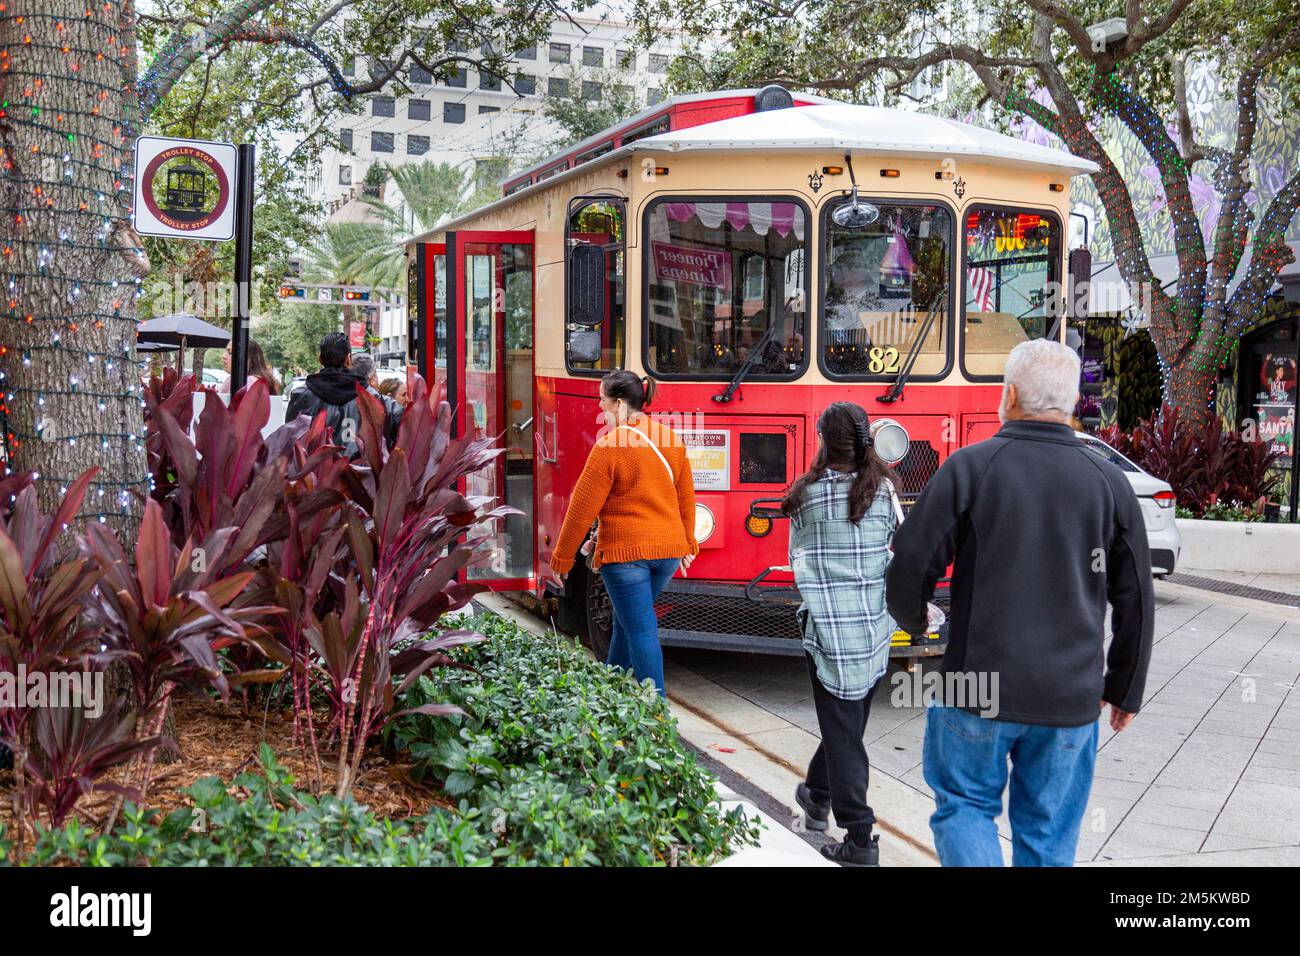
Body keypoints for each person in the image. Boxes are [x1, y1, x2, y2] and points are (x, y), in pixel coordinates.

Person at [886, 338, 1154, 867]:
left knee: (964, 806)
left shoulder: (970, 468)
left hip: (974, 683)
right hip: (1070, 696)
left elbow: (910, 565)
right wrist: (1124, 687)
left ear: (1008, 395)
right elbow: (1137, 599)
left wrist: (917, 622)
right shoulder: (1110, 483)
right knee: (1049, 835)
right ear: (1073, 402)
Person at [784, 401, 900, 867]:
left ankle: (859, 837)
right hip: (874, 630)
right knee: (846, 726)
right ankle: (816, 795)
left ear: (822, 442)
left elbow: (799, 557)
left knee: (844, 732)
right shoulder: (885, 491)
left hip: (829, 632)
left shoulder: (804, 497)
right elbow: (898, 545)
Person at [549, 370, 698, 696]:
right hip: (668, 554)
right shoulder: (670, 440)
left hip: (627, 556)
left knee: (641, 630)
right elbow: (687, 500)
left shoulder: (609, 447)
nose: (600, 406)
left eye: (602, 400)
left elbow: (581, 509)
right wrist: (688, 544)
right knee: (626, 621)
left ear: (618, 403)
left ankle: (656, 718)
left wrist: (561, 559)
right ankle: (609, 694)